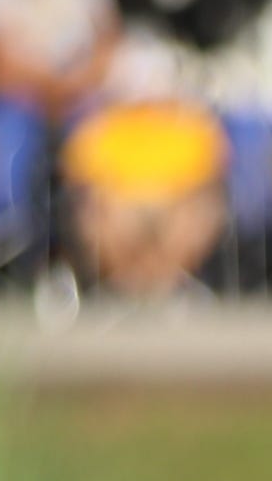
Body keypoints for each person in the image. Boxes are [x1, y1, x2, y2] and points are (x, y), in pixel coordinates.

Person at [58, 32, 228, 299]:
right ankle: (127, 286)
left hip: (175, 205)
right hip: (120, 206)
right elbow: (77, 177)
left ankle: (166, 284)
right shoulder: (101, 126)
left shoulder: (193, 125)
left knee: (193, 215)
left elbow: (209, 176)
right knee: (107, 216)